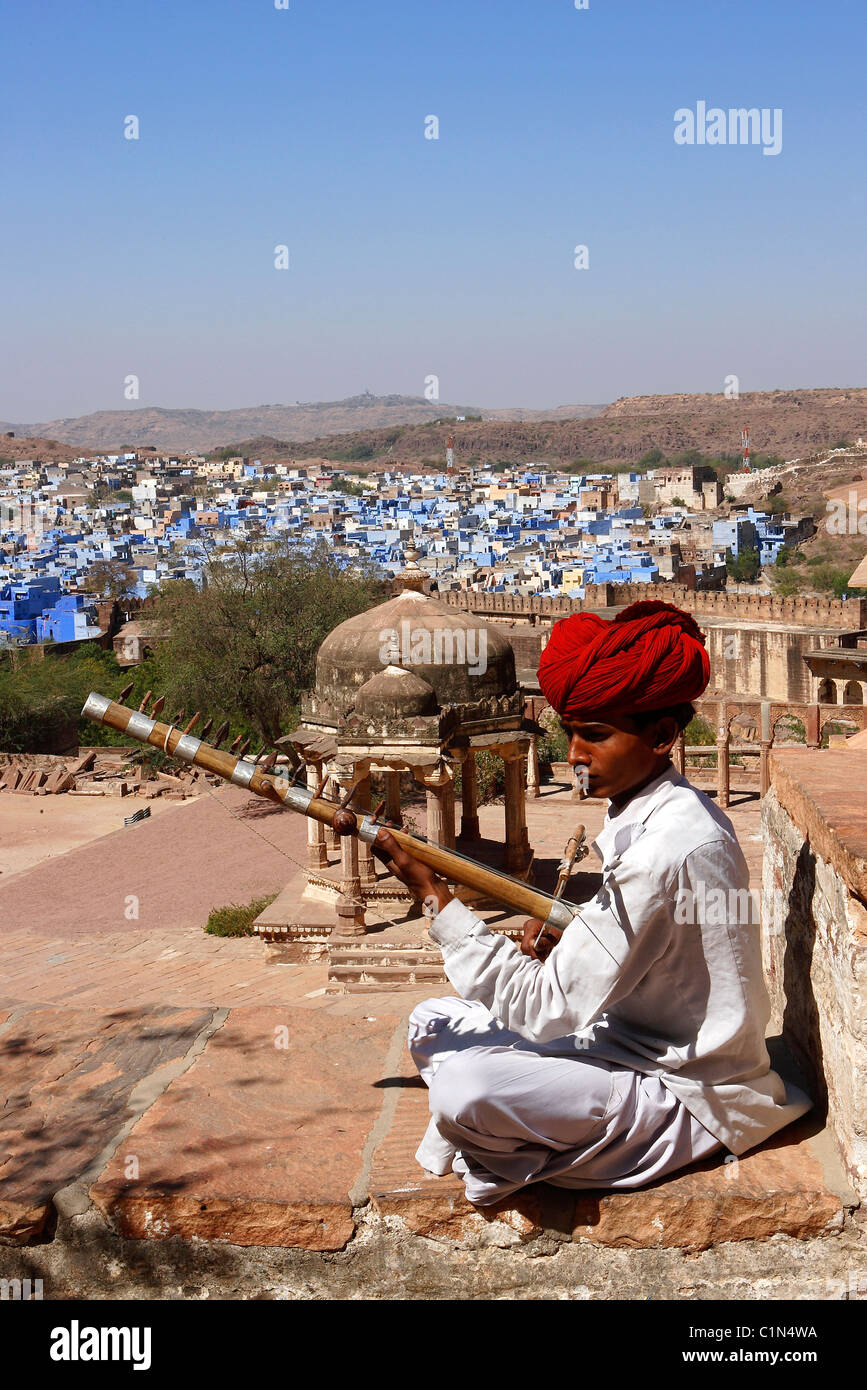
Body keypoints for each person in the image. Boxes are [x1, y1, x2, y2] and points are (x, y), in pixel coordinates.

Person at [370, 600, 811, 1207]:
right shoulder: (664, 809)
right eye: (571, 733)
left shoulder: (668, 847)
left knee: (464, 1089)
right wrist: (570, 941)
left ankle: (528, 1148)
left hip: (684, 1087)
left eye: (595, 735)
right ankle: (525, 1128)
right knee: (431, 1020)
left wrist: (433, 897)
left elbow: (542, 1010)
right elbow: (649, 948)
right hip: (621, 1038)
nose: (575, 755)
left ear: (662, 736)